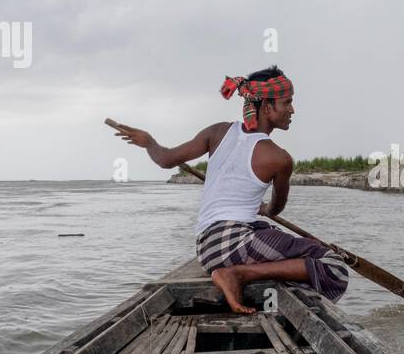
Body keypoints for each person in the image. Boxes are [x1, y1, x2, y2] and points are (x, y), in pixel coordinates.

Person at [113, 66, 349, 314]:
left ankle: (239, 270)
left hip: (206, 246)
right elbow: (276, 208)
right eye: (287, 102)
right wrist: (265, 208)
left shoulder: (217, 131)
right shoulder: (280, 158)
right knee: (333, 265)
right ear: (267, 107)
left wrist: (149, 142)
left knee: (271, 232)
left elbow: (165, 159)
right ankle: (236, 274)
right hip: (232, 248)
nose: (292, 110)